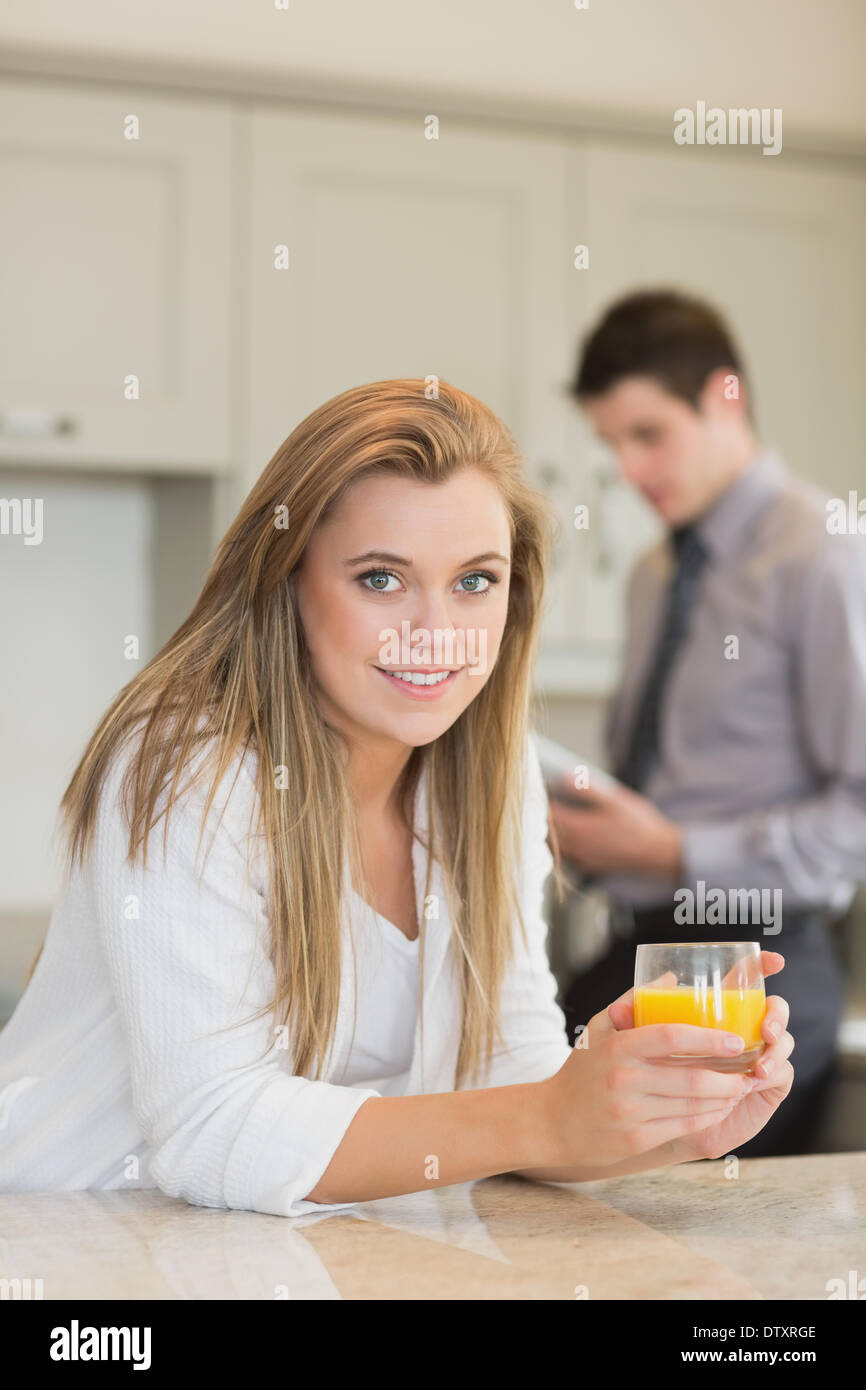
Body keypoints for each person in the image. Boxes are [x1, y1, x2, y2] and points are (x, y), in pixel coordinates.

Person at [0, 379, 793, 1216]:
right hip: (62, 1238)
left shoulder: (492, 776)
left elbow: (506, 1076)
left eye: (475, 581)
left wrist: (658, 1118)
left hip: (268, 1252)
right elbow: (210, 1126)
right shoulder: (188, 766)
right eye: (381, 579)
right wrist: (547, 1116)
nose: (435, 630)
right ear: (286, 581)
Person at [552, 290, 865, 1157]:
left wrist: (677, 855)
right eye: (610, 443)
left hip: (757, 965)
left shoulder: (825, 554)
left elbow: (860, 812)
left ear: (724, 397)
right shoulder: (655, 571)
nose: (628, 467)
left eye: (647, 435)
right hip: (641, 952)